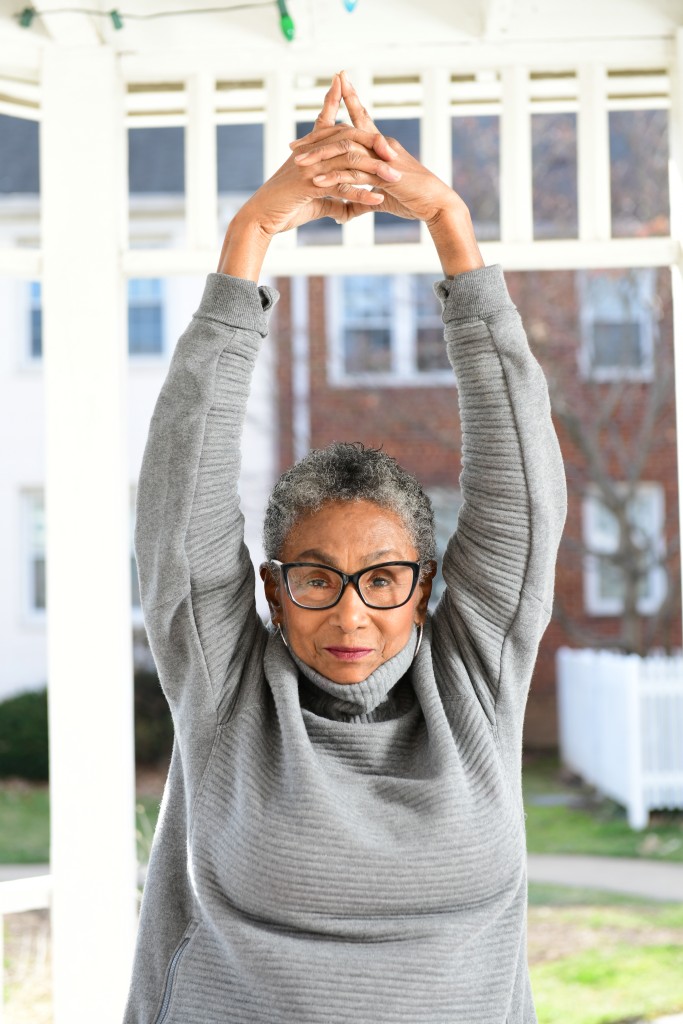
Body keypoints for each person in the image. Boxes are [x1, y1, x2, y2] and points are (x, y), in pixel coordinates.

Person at [124, 71, 567, 1024]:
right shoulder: (227, 688)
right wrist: (251, 236)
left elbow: (521, 490)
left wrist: (448, 221)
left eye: (382, 579)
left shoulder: (476, 683)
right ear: (272, 591)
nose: (352, 611)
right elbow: (180, 498)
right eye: (317, 580)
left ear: (425, 586)